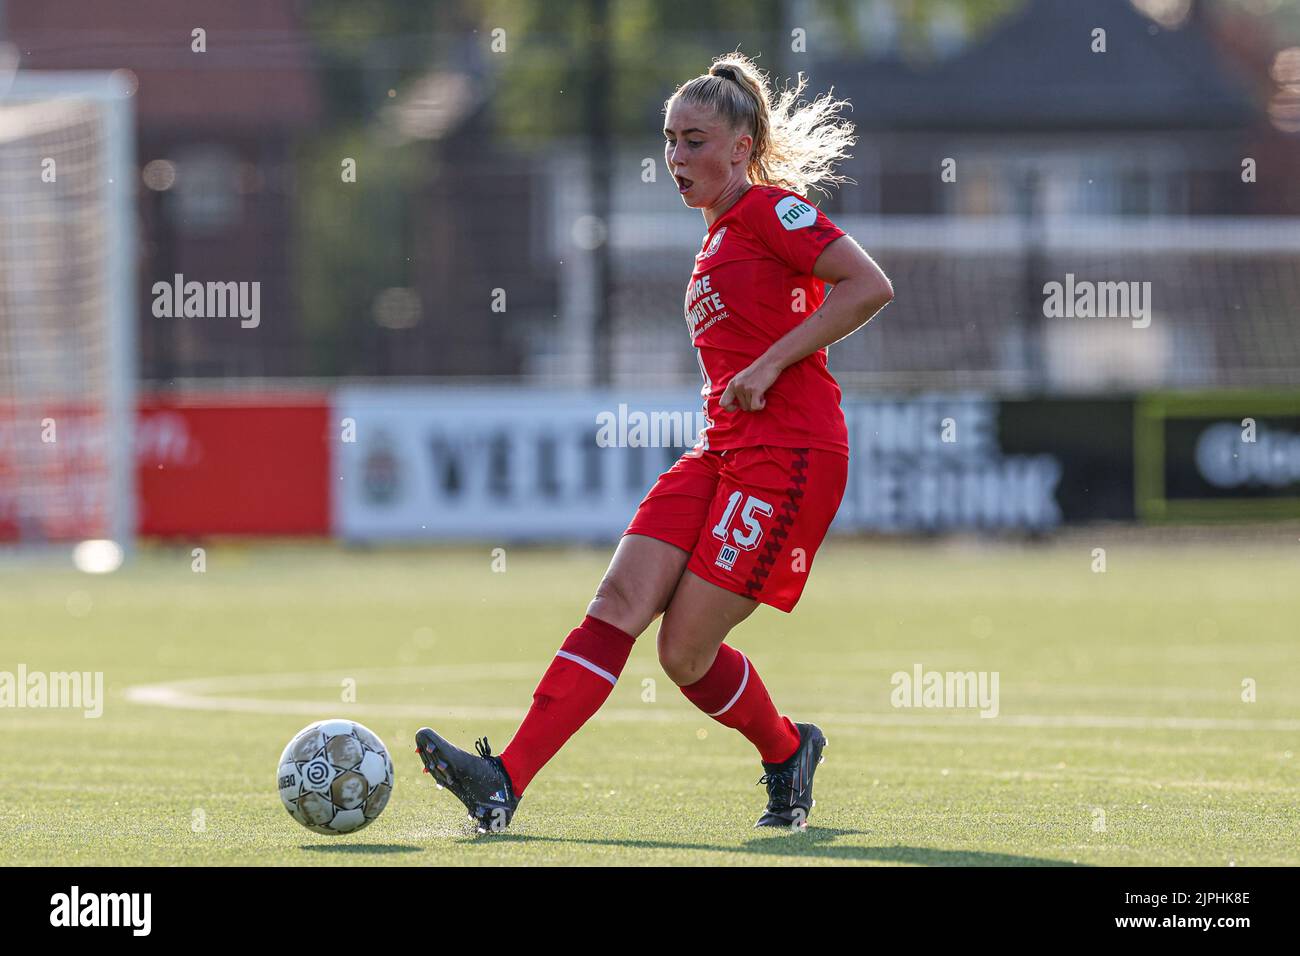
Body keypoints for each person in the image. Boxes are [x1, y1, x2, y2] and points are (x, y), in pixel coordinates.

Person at [416, 52, 894, 833]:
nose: (677, 157)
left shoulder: (771, 211)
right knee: (617, 601)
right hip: (721, 453)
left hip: (790, 458)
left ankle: (786, 750)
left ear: (741, 147)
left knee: (682, 655)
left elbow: (870, 284)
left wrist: (774, 362)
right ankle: (503, 780)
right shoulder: (714, 240)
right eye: (670, 141)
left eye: (695, 140)